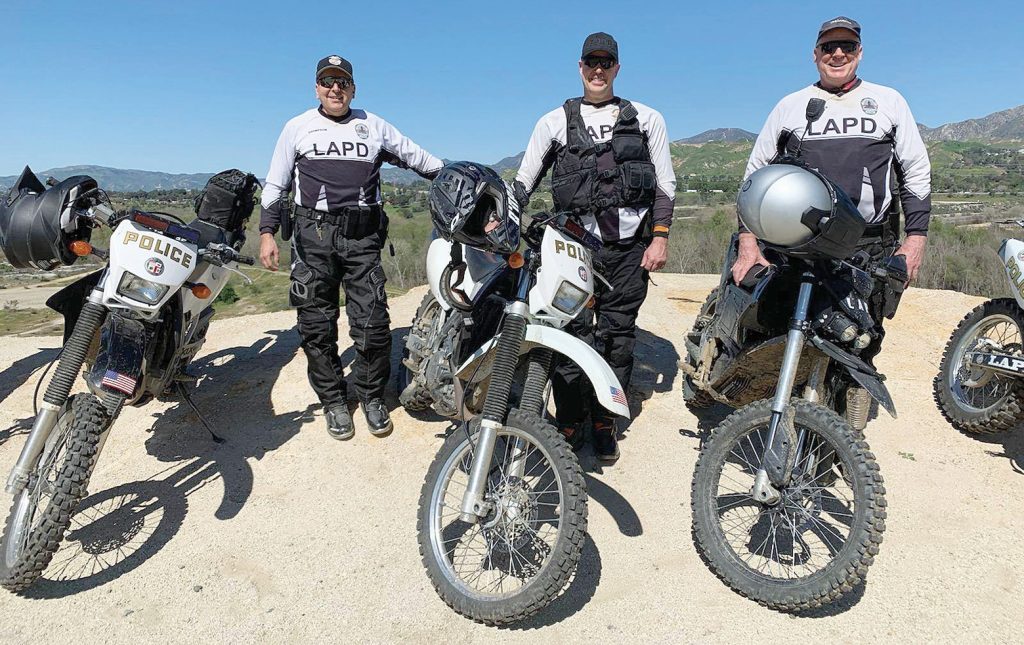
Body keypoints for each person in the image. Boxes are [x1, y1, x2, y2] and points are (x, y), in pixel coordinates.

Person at [259, 54, 444, 440]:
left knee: (374, 324)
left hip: (362, 239)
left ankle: (372, 396)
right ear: (317, 88)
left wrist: (458, 176)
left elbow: (421, 160)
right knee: (316, 326)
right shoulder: (297, 127)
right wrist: (266, 233)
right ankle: (334, 402)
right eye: (328, 81)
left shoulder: (372, 125)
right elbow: (275, 186)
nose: (335, 88)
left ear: (353, 88)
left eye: (342, 82)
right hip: (314, 238)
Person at [513, 32, 676, 462]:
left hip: (628, 250)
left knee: (617, 336)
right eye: (591, 62)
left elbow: (664, 185)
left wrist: (659, 237)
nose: (598, 69)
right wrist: (501, 220)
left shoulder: (647, 118)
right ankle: (569, 419)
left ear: (617, 68)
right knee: (569, 333)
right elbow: (523, 182)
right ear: (580, 66)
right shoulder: (552, 122)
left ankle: (605, 421)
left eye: (607, 62)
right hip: (573, 248)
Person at [732, 16, 932, 367]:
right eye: (829, 47)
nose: (838, 53)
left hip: (867, 245)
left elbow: (915, 171)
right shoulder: (790, 106)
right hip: (797, 245)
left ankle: (841, 415)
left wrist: (915, 240)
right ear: (815, 54)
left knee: (859, 342)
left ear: (860, 53)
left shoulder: (889, 101)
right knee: (777, 333)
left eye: (847, 46)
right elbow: (755, 176)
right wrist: (748, 243)